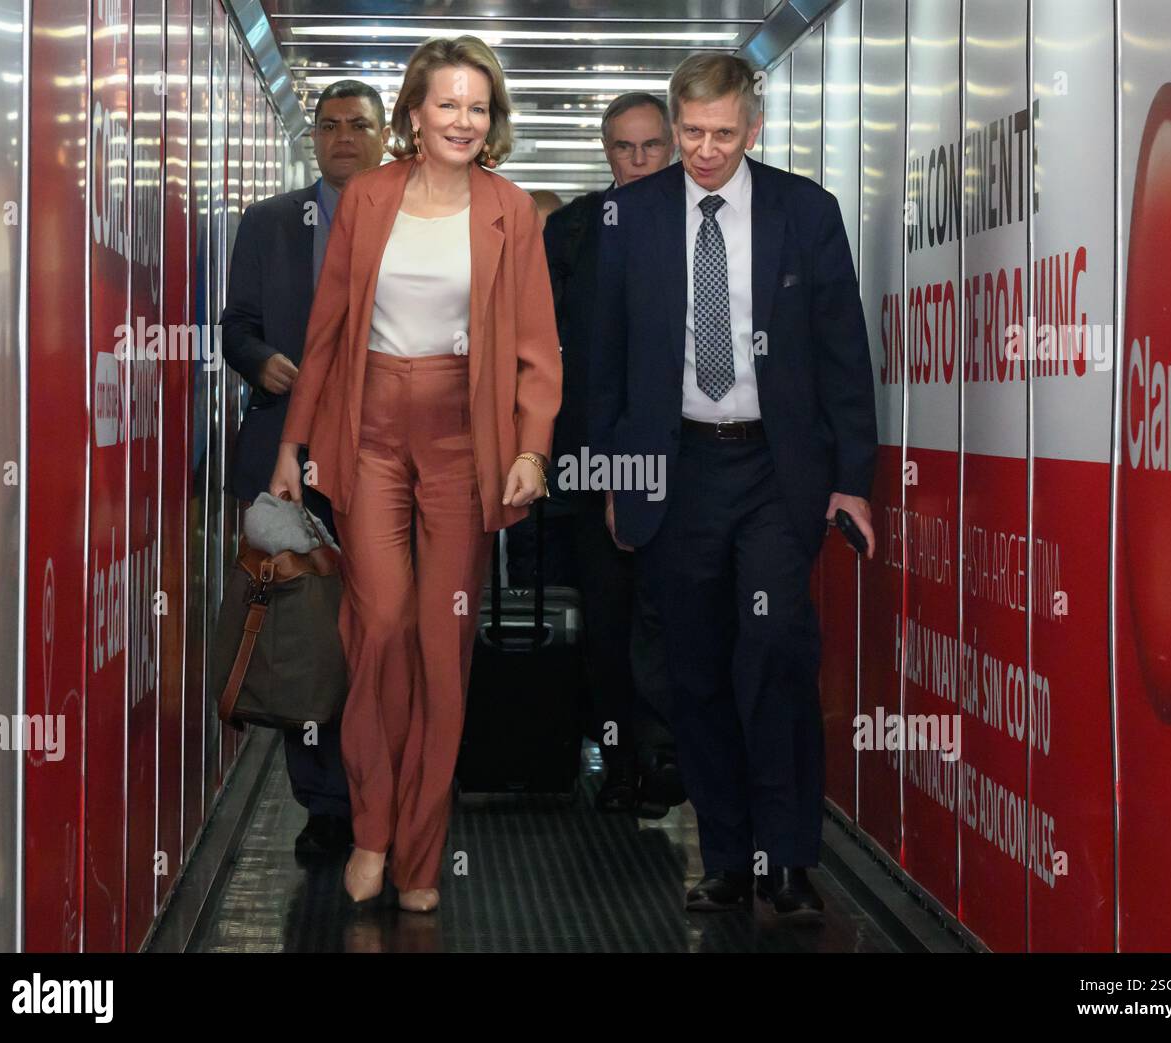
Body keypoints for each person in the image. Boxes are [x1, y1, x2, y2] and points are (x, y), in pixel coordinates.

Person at [270, 35, 561, 913]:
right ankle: (370, 827)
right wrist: (292, 444)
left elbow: (537, 348)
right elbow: (326, 330)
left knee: (444, 648)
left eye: (478, 106)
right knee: (381, 625)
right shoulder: (368, 197)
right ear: (414, 113)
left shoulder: (512, 211)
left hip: (461, 436)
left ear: (491, 119)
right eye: (448, 104)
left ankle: (421, 854)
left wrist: (531, 447)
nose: (464, 120)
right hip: (366, 430)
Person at [589, 53, 878, 920]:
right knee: (697, 669)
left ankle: (786, 860)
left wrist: (852, 479)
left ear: (754, 128)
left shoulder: (804, 212)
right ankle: (723, 858)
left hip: (776, 472)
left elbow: (843, 354)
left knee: (777, 654)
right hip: (677, 471)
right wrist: (611, 469)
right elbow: (605, 359)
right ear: (673, 126)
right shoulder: (628, 217)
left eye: (722, 133)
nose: (705, 150)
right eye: (690, 133)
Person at [221, 78, 390, 861]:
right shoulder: (269, 223)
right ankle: (325, 805)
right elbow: (236, 327)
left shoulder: (410, 217)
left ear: (385, 134)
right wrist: (262, 363)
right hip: (290, 454)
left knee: (381, 628)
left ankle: (385, 798)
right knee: (305, 632)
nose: (344, 137)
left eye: (359, 124)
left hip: (390, 455)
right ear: (314, 136)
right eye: (330, 125)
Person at [540, 92, 681, 815]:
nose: (637, 160)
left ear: (674, 145)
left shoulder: (707, 223)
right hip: (597, 457)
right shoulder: (570, 231)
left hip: (688, 459)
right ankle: (626, 761)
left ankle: (670, 758)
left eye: (650, 146)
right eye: (624, 147)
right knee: (610, 616)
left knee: (678, 615)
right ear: (605, 150)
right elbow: (550, 350)